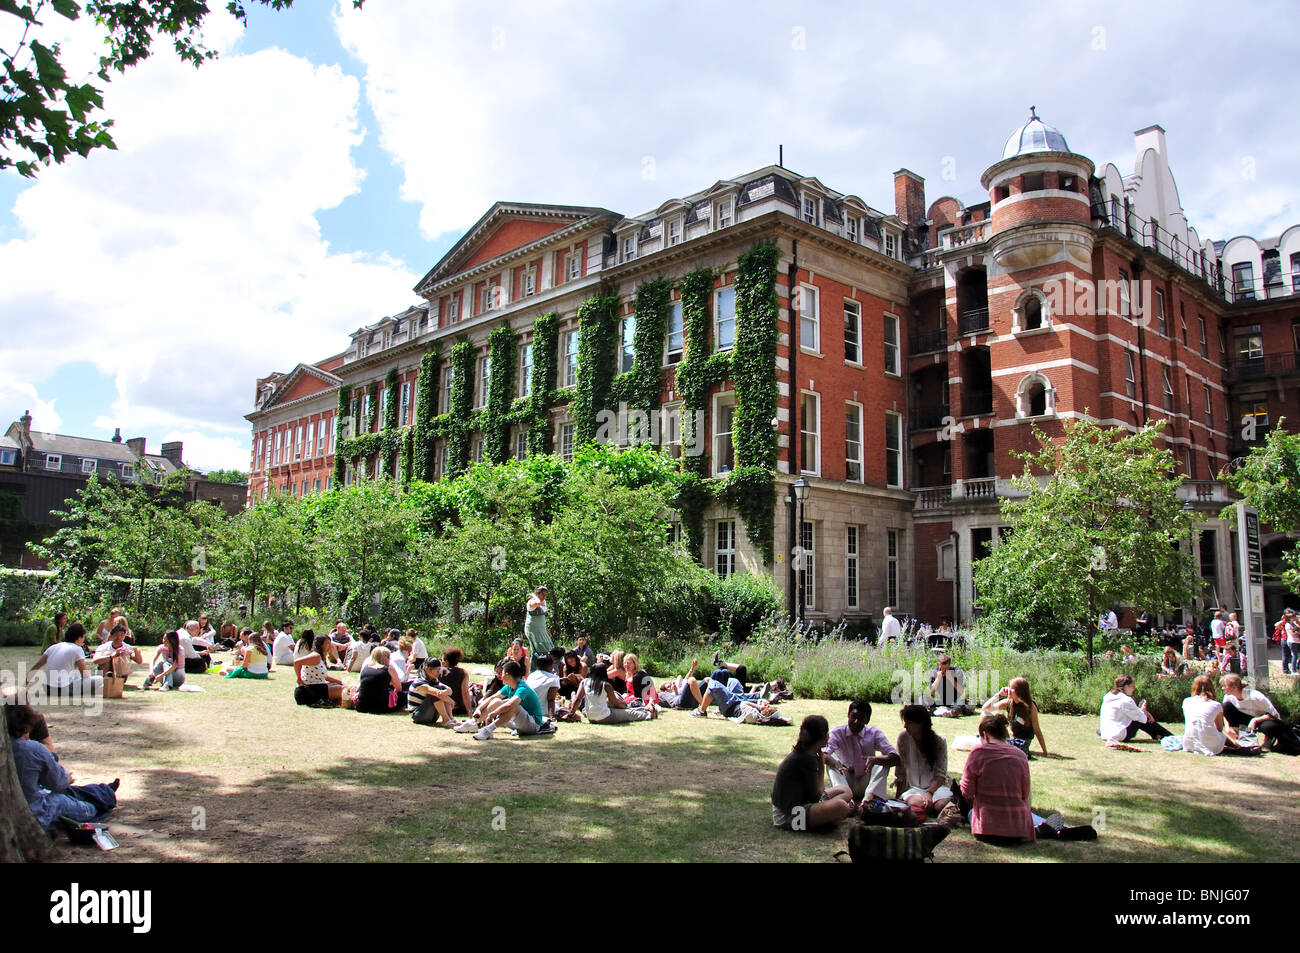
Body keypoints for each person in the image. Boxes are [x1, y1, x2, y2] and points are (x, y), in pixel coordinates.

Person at [8, 705, 117, 833]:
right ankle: (105, 795)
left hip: (34, 796)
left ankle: (103, 791)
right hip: (37, 811)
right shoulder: (31, 749)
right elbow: (57, 784)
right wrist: (66, 777)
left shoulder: (16, 747)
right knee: (84, 806)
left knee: (74, 793)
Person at [958, 714, 1035, 844]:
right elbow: (1025, 794)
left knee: (970, 813)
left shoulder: (978, 753)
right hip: (1017, 831)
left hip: (986, 830)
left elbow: (967, 792)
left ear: (985, 735)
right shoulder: (1021, 755)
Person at [771, 714, 854, 832]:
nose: (828, 736)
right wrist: (821, 767)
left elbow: (813, 795)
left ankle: (828, 817)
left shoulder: (806, 752)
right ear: (822, 736)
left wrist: (830, 761)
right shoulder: (807, 759)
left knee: (846, 790)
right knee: (842, 806)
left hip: (800, 803)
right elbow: (816, 797)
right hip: (790, 815)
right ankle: (828, 820)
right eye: (827, 732)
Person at [822, 699, 900, 804]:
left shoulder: (874, 733)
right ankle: (844, 798)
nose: (856, 721)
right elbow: (822, 754)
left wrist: (875, 759)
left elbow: (895, 758)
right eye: (853, 717)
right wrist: (835, 763)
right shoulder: (837, 733)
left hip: (866, 780)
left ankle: (869, 799)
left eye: (861, 718)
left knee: (882, 762)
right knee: (831, 761)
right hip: (845, 779)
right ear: (848, 715)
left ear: (867, 720)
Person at [458, 660, 550, 739]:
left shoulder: (522, 688)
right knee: (496, 701)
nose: (500, 676)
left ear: (507, 675)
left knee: (514, 706)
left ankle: (488, 730)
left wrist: (493, 714)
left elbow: (510, 705)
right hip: (518, 722)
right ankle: (474, 723)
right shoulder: (509, 687)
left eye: (501, 673)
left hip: (533, 725)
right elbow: (492, 698)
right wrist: (478, 709)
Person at [894, 705, 954, 820]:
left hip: (937, 788)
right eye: (905, 722)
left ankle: (942, 807)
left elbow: (940, 773)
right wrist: (898, 796)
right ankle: (933, 809)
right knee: (920, 803)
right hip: (914, 788)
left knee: (939, 805)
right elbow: (900, 768)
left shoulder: (939, 741)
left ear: (920, 724)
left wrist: (930, 793)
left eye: (909, 723)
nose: (905, 726)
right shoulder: (903, 738)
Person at [1220, 674, 1296, 754]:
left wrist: (1255, 720)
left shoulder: (1255, 696)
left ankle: (1268, 739)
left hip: (1265, 719)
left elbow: (1274, 715)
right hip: (1247, 719)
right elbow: (1225, 713)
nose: (1222, 688)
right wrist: (1228, 728)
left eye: (1224, 686)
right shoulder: (1228, 697)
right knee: (1226, 707)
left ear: (1234, 687)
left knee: (1267, 726)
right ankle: (1243, 738)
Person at [1182, 675, 1249, 756]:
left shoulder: (1186, 701)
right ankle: (1237, 746)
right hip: (1210, 742)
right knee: (1221, 735)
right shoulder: (1216, 705)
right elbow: (1219, 728)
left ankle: (1234, 746)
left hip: (1189, 742)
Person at [980, 677, 1048, 756]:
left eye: (1011, 688)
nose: (1008, 690)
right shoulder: (1009, 703)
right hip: (1010, 737)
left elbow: (1037, 730)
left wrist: (1045, 752)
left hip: (1023, 740)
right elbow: (985, 708)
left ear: (1019, 691)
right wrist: (999, 695)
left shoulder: (1030, 707)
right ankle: (984, 743)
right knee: (985, 715)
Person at [1099, 674, 1172, 746]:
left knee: (1139, 715)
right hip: (1118, 735)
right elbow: (1142, 719)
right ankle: (1166, 735)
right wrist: (1143, 711)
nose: (1134, 689)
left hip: (1105, 733)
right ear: (1126, 686)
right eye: (1132, 686)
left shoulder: (1108, 696)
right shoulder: (1126, 700)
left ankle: (1159, 734)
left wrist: (1144, 712)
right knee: (1140, 719)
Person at [570, 663, 655, 724]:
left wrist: (571, 713)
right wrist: (625, 706)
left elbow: (577, 699)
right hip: (604, 717)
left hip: (590, 717)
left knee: (622, 710)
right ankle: (649, 715)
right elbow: (615, 703)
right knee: (629, 714)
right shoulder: (606, 685)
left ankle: (644, 710)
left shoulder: (584, 682)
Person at [32, 624, 102, 698]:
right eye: (83, 637)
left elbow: (36, 666)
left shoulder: (53, 647)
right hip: (62, 690)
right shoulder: (77, 649)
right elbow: (85, 675)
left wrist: (25, 684)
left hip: (46, 688)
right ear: (79, 638)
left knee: (75, 675)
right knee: (99, 679)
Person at [293, 632, 344, 706]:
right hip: (308, 690)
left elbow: (325, 676)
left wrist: (341, 682)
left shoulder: (321, 657)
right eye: (327, 644)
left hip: (316, 686)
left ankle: (330, 702)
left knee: (338, 686)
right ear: (320, 645)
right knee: (342, 690)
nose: (330, 646)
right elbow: (297, 662)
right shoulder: (316, 656)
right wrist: (299, 679)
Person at [409, 657, 460, 727]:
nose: (439, 673)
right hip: (419, 716)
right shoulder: (419, 682)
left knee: (442, 691)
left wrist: (446, 692)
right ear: (427, 669)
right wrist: (451, 701)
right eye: (437, 670)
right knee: (435, 692)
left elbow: (449, 690)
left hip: (431, 716)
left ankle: (450, 719)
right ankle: (446, 720)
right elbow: (436, 693)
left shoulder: (434, 680)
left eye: (440, 670)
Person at [353, 646, 403, 714]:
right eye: (388, 657)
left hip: (361, 706)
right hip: (380, 708)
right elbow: (398, 688)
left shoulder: (365, 668)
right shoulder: (389, 669)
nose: (390, 659)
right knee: (403, 695)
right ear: (384, 658)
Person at [525, 654, 562, 719]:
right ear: (550, 666)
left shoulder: (531, 676)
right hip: (543, 711)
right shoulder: (554, 678)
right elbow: (551, 699)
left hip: (528, 711)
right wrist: (551, 717)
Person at [524, 586, 554, 666]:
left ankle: (544, 668)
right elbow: (537, 603)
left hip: (541, 629)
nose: (544, 597)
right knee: (540, 649)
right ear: (538, 593)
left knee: (549, 648)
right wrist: (534, 596)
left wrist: (545, 629)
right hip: (533, 629)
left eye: (546, 595)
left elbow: (542, 616)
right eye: (543, 594)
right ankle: (536, 669)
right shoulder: (531, 602)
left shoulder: (543, 602)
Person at [439, 647, 474, 716]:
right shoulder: (463, 673)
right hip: (458, 708)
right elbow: (465, 692)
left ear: (446, 662)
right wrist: (469, 710)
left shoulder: (439, 671)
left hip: (442, 707)